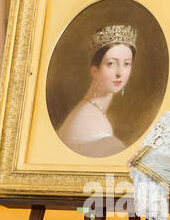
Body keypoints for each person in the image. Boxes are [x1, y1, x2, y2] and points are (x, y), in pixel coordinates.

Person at [55, 25, 135, 158]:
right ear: (95, 70)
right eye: (111, 63)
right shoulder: (91, 121)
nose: (120, 73)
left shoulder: (90, 108)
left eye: (126, 64)